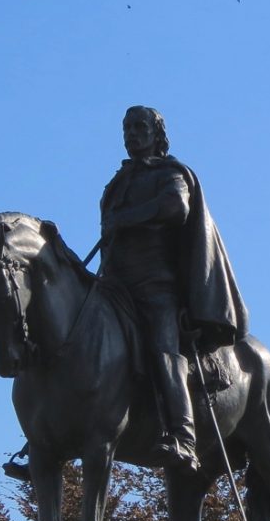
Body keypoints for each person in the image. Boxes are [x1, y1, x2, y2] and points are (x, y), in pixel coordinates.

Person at [98, 105, 249, 471]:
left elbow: (175, 207)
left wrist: (126, 218)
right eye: (127, 127)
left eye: (139, 126)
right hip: (115, 284)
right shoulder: (117, 183)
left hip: (155, 286)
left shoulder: (170, 174)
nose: (132, 133)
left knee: (164, 352)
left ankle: (183, 436)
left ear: (156, 133)